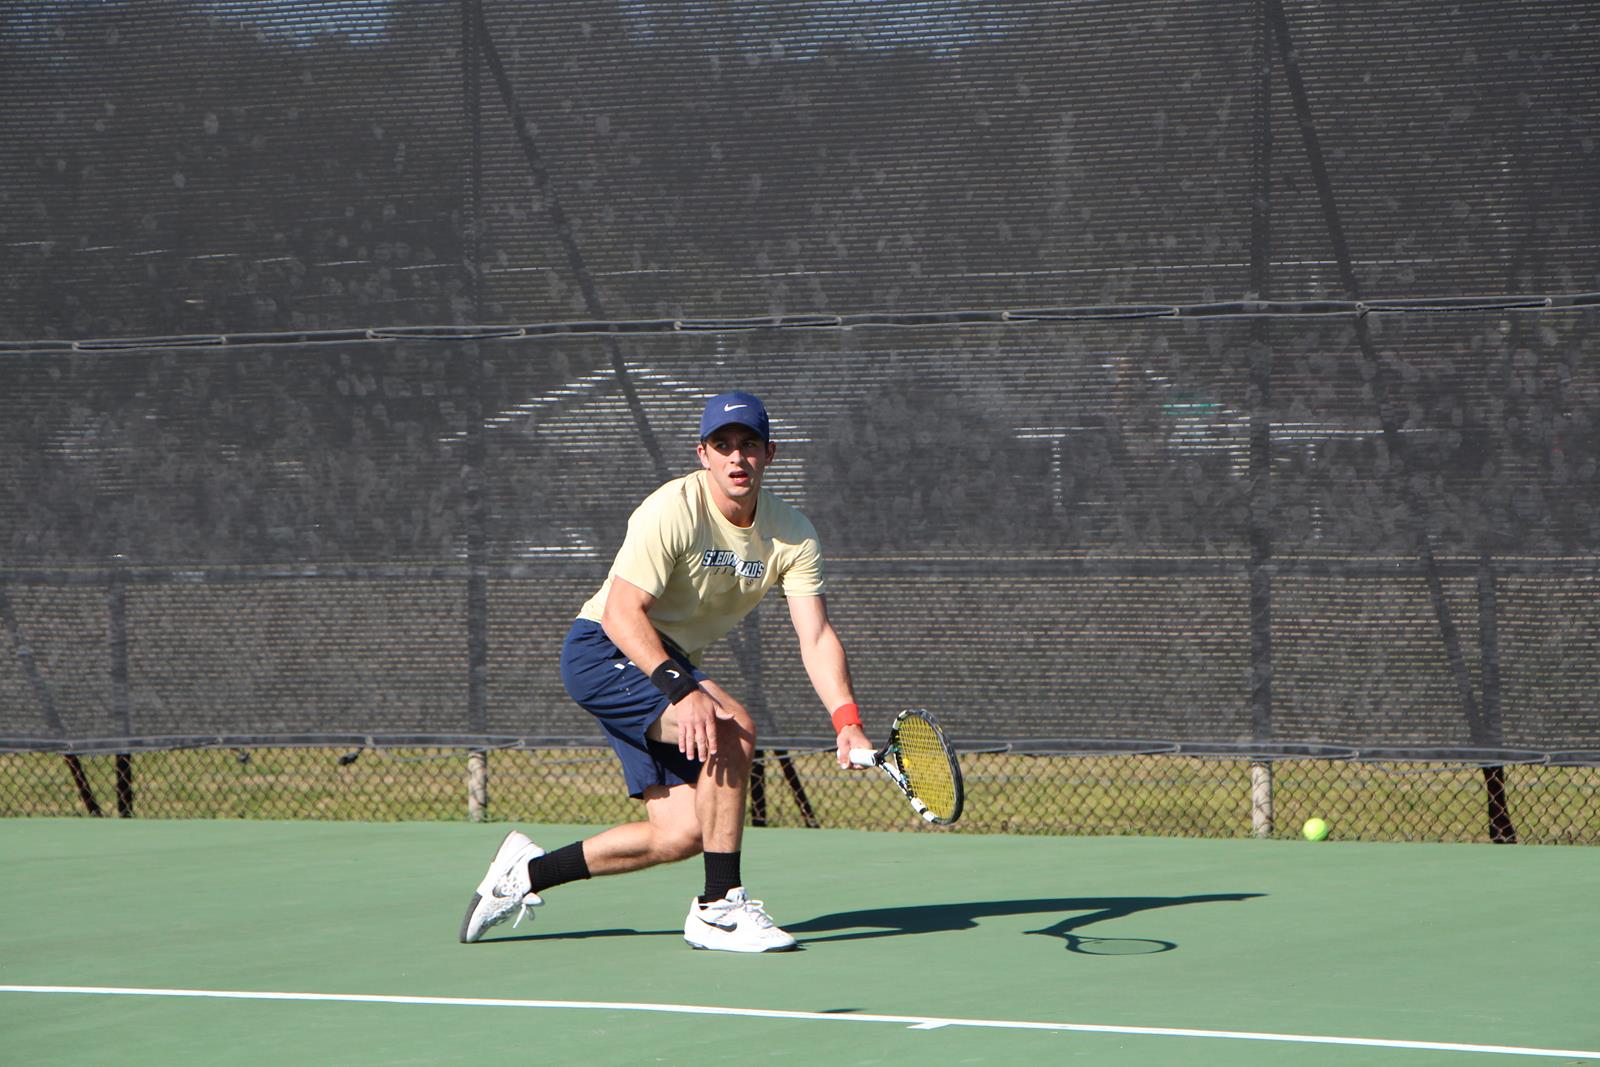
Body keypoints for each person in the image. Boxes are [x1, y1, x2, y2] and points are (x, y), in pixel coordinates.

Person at [459, 391, 872, 953]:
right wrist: (680, 690)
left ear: (769, 454)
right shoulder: (671, 508)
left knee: (682, 834)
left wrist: (845, 719)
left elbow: (816, 636)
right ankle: (718, 909)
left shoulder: (792, 534)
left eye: (749, 446)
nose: (736, 458)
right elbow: (621, 612)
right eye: (722, 446)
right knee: (731, 727)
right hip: (603, 649)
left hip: (662, 661)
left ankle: (524, 874)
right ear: (702, 454)